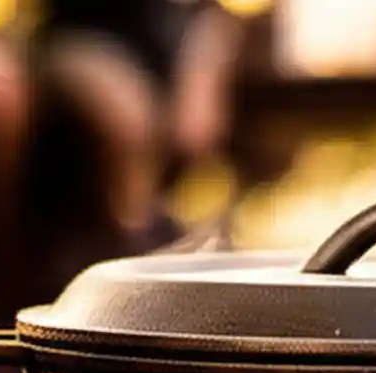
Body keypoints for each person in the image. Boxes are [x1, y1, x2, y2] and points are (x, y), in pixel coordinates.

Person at [32, 0, 243, 252]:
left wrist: (205, 61)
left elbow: (212, 15)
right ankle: (135, 235)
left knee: (195, 133)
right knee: (133, 120)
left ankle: (168, 230)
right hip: (80, 36)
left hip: (172, 38)